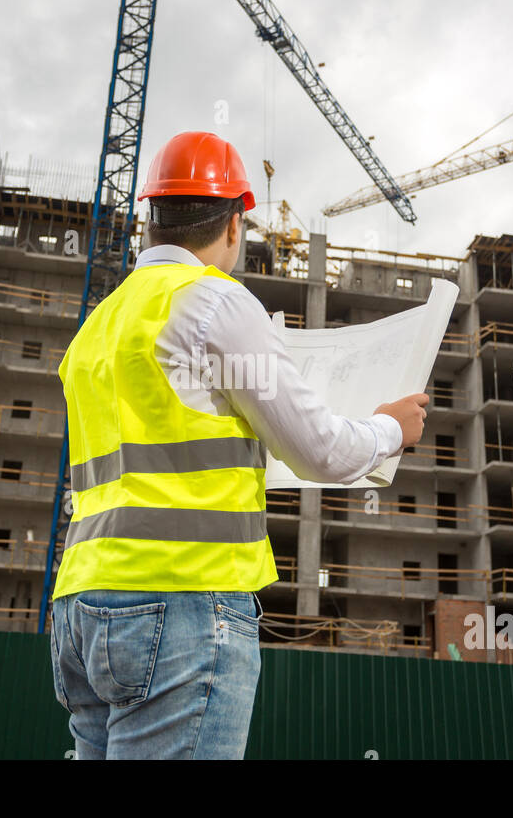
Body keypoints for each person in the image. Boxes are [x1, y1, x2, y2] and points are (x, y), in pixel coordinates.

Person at [48, 130, 428, 759]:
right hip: (182, 603)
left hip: (81, 607)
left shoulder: (99, 324)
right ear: (234, 222)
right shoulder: (213, 303)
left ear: (151, 218)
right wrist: (389, 429)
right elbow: (320, 451)